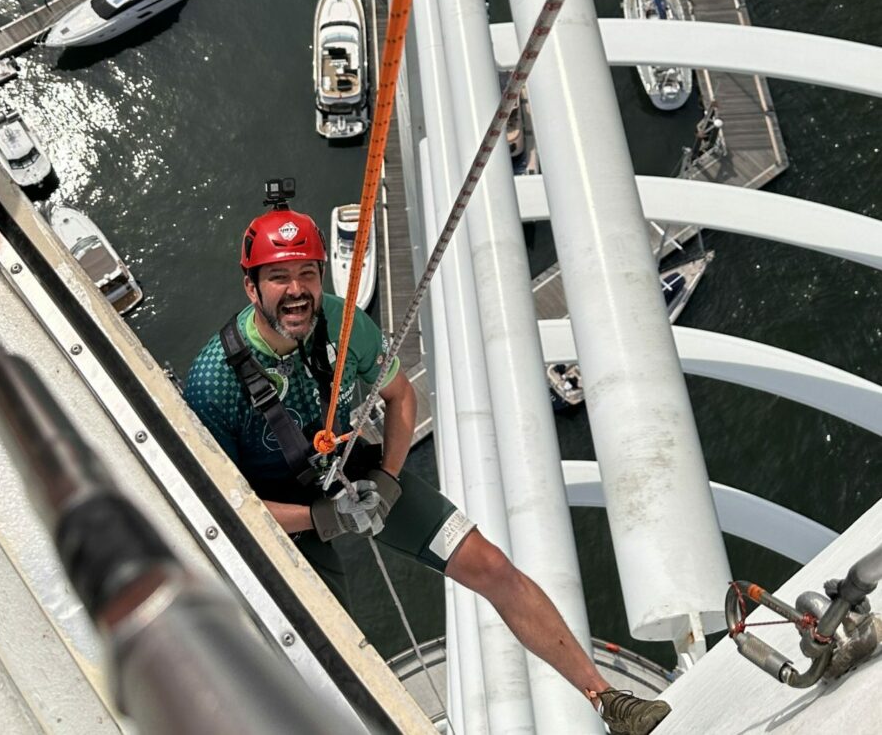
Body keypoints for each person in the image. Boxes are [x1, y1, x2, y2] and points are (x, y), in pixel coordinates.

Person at [184, 197, 672, 735]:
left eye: (307, 274)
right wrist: (321, 518)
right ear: (251, 288)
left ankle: (607, 700)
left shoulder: (341, 324)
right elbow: (222, 505)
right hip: (279, 516)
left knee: (491, 566)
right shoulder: (214, 380)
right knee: (327, 657)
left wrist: (388, 479)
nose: (296, 290)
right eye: (279, 277)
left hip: (349, 473)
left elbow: (399, 395)